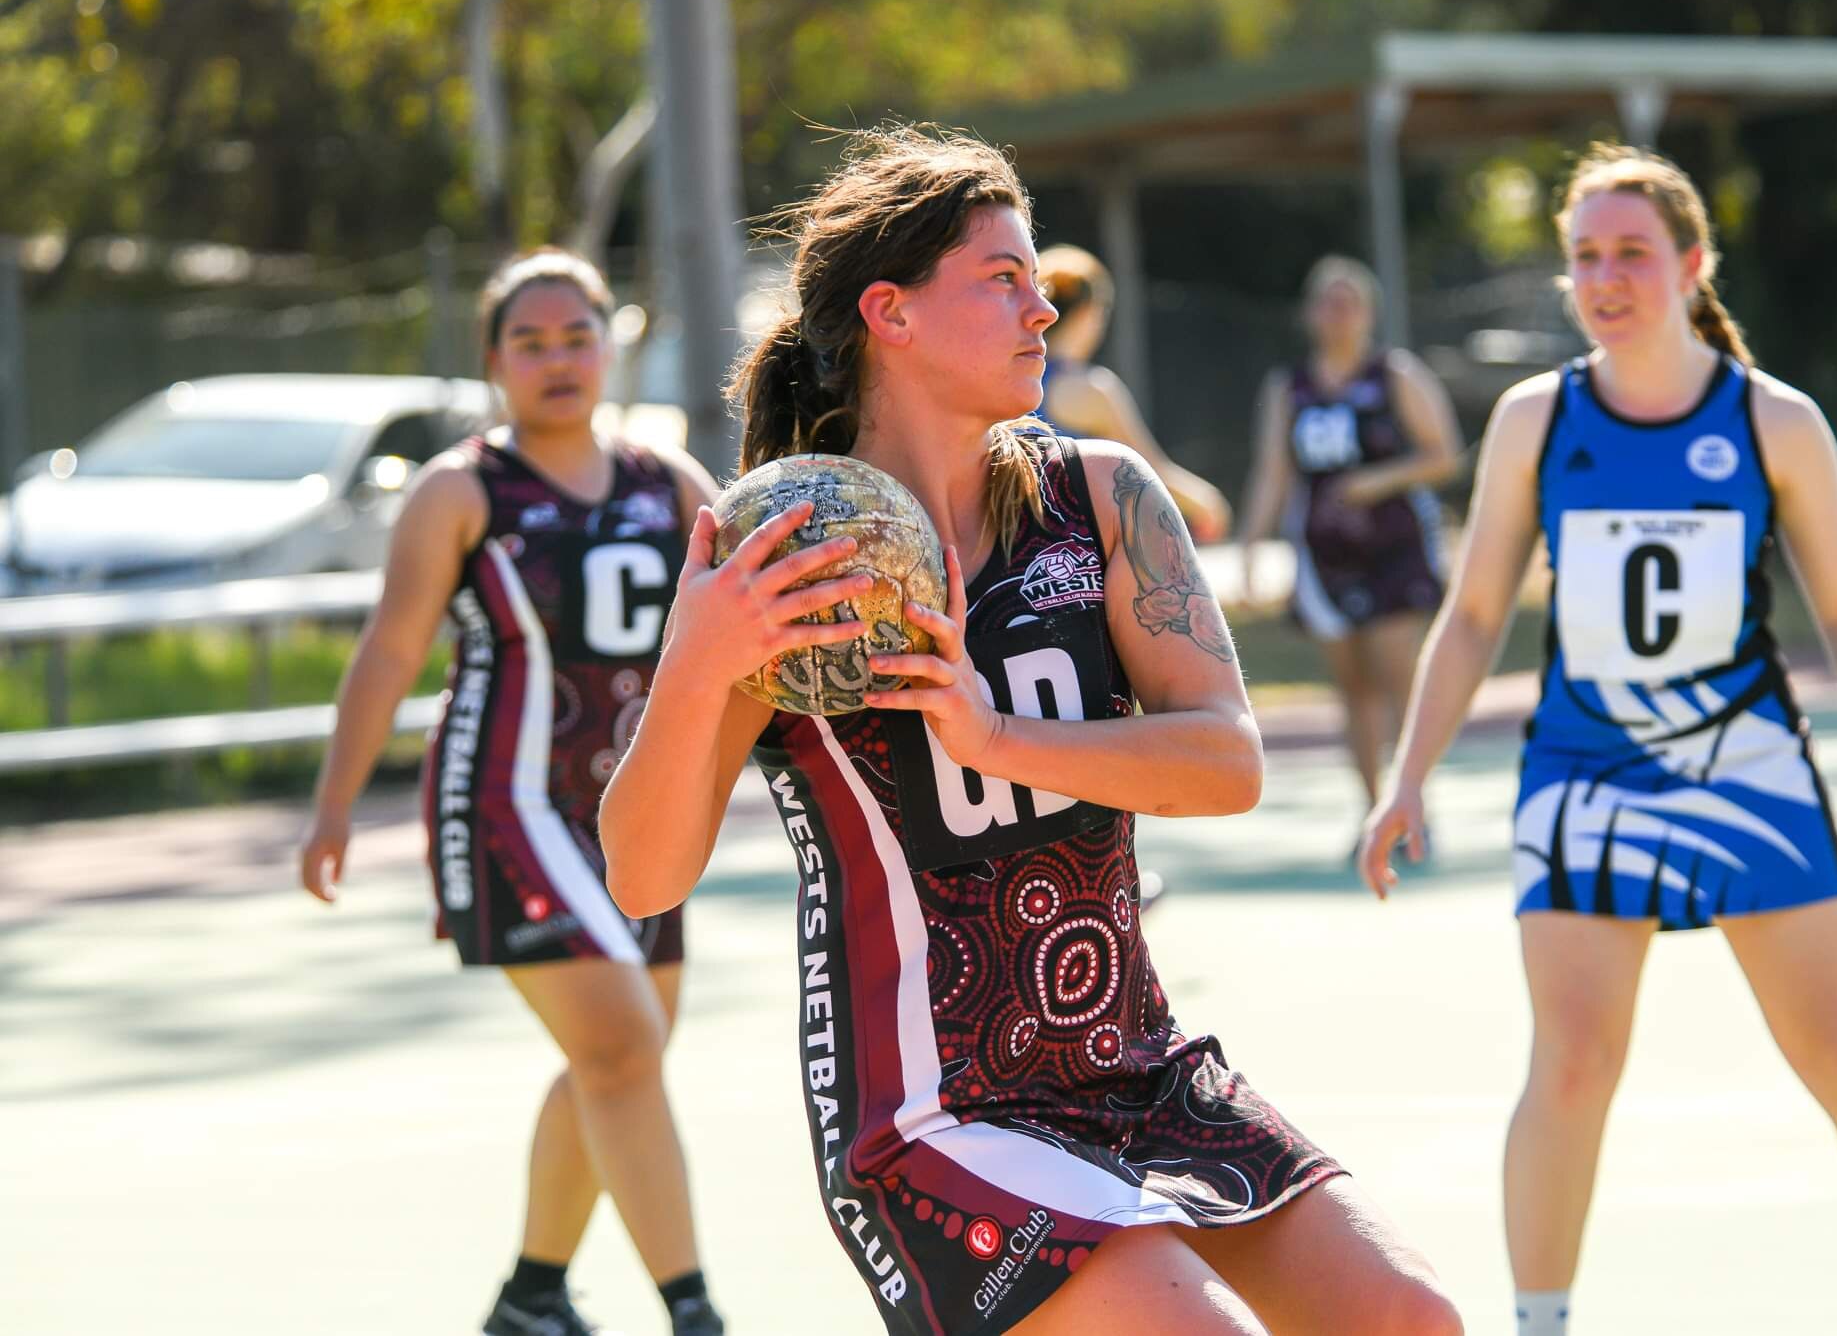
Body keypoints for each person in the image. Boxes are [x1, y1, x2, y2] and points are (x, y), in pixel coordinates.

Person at [601, 126, 1461, 1336]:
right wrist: (698, 662)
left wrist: (994, 734)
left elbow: (1225, 761)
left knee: (1410, 1319)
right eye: (1002, 279)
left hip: (1139, 1069)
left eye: (1035, 278)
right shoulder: (791, 557)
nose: (1042, 309)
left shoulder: (1099, 497)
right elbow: (642, 873)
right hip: (935, 1116)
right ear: (889, 314)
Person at [1359, 143, 1837, 1336]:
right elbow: (1475, 617)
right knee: (1569, 1067)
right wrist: (1405, 780)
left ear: (1689, 262)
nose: (1604, 277)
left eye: (1630, 253)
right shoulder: (1534, 418)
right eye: (1583, 257)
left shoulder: (1772, 421)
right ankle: (1539, 1324)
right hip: (1583, 772)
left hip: (1743, 762)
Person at [299, 247, 727, 1336]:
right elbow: (390, 654)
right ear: (492, 361)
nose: (556, 359)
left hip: (634, 810)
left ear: (610, 344)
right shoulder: (462, 492)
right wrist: (334, 806)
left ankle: (531, 1297)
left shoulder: (667, 484)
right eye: (528, 342)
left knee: (616, 1057)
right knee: (622, 1049)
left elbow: (741, 619)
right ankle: (695, 1315)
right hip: (507, 807)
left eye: (575, 336)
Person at [1237, 255, 1462, 845]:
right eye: (1327, 301)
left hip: (1394, 551)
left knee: (1397, 675)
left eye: (1350, 301)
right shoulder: (1291, 386)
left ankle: (1414, 801)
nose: (1339, 313)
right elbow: (1273, 471)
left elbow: (1444, 455)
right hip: (1326, 558)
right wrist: (1253, 547)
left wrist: (1378, 481)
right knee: (1353, 686)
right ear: (1309, 313)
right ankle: (1371, 809)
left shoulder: (1395, 375)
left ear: (1369, 312)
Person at [1036, 243, 1233, 543]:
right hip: (1073, 553)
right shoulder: (1091, 389)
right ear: (1090, 313)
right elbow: (1150, 471)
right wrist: (1209, 504)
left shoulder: (1015, 382)